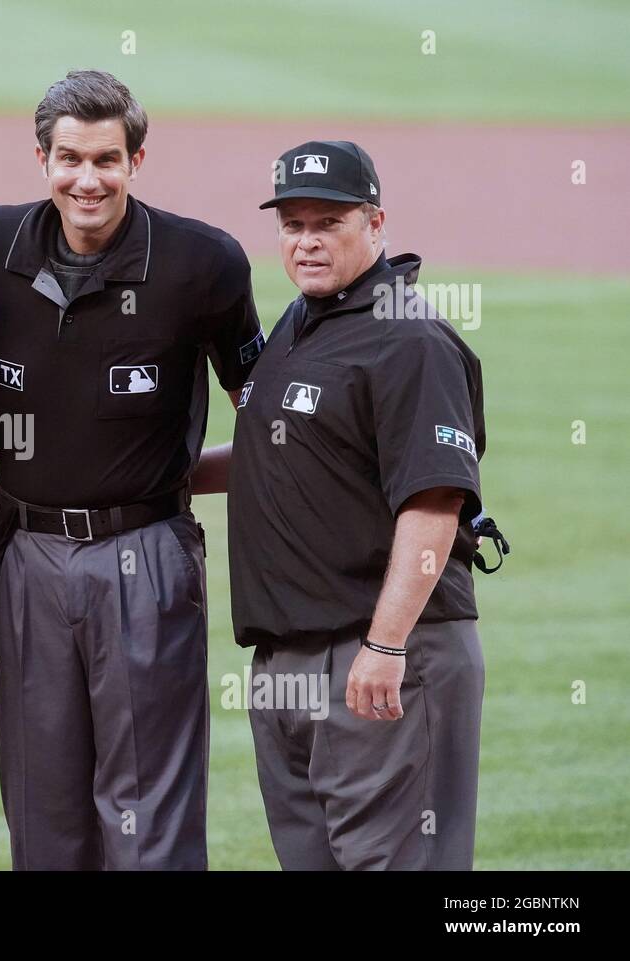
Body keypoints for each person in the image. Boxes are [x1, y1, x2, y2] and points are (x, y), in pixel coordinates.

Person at [0, 70, 262, 870]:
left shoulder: (203, 264)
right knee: (41, 814)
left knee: (147, 815)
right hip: (26, 553)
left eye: (107, 160)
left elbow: (264, 411)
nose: (88, 179)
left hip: (145, 551)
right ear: (42, 156)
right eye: (70, 158)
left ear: (137, 160)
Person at [225, 139, 488, 869]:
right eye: (292, 224)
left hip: (378, 653)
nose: (306, 241)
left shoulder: (410, 339)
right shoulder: (304, 320)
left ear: (376, 223)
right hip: (290, 658)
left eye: (328, 223)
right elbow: (283, 455)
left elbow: (434, 501)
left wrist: (386, 643)